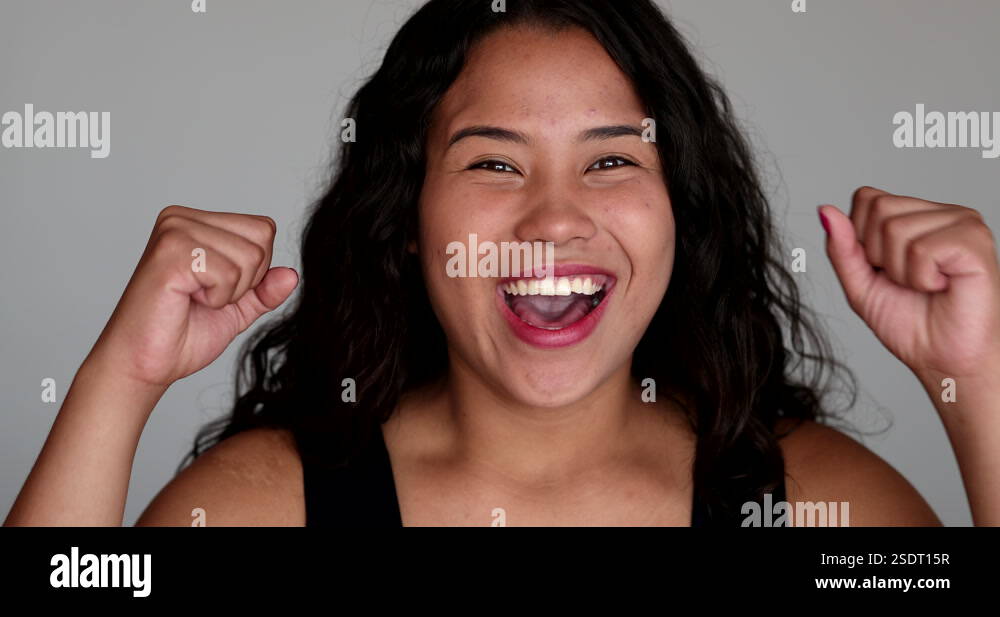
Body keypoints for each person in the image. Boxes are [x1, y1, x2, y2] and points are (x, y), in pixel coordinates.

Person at [5, 0, 998, 527]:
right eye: (492, 161)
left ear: (681, 214)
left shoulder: (815, 502)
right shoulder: (269, 504)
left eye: (611, 159)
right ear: (405, 219)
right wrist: (118, 381)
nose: (553, 218)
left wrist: (979, 382)